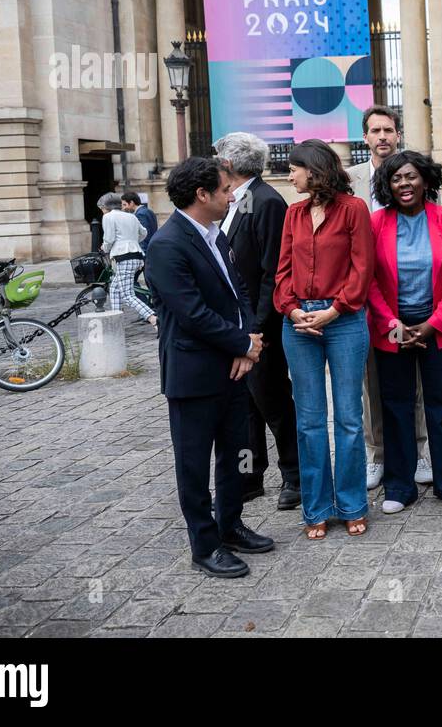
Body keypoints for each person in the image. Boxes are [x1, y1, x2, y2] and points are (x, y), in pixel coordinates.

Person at [144, 157, 272, 578]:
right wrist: (241, 343)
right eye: (223, 190)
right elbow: (192, 313)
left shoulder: (216, 234)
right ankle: (204, 544)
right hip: (194, 374)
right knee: (195, 463)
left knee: (237, 454)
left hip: (234, 368)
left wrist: (246, 344)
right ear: (202, 195)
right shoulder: (167, 245)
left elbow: (239, 292)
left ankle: (230, 524)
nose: (231, 195)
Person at [274, 139, 373, 539]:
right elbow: (281, 271)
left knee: (349, 417)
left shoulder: (354, 210)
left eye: (295, 168)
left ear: (313, 170)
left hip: (344, 319)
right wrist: (293, 309)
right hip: (298, 325)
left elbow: (363, 269)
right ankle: (316, 507)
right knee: (309, 420)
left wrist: (334, 310)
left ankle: (351, 504)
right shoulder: (293, 213)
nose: (290, 175)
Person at [366, 150, 442, 514]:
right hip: (391, 330)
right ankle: (399, 485)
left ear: (425, 180)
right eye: (396, 178)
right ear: (387, 185)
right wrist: (391, 323)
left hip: (437, 329)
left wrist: (432, 324)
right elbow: (369, 282)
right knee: (396, 406)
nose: (404, 184)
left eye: (410, 176)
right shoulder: (376, 223)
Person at [214, 132, 300, 513]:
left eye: (218, 158)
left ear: (228, 164)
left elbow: (273, 272)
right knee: (246, 405)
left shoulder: (266, 201)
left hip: (262, 327)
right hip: (239, 325)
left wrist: (258, 328)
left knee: (274, 404)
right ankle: (250, 477)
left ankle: (295, 477)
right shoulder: (236, 199)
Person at [346, 105, 429, 491]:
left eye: (389, 129)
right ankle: (377, 453)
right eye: (375, 130)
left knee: (417, 382)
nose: (382, 136)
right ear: (365, 137)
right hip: (367, 297)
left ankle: (421, 449)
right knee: (372, 382)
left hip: (411, 294)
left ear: (398, 134)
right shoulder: (350, 180)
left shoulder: (415, 172)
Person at [98, 192, 156, 328]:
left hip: (124, 256)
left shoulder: (108, 217)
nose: (101, 211)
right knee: (114, 288)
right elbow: (144, 233)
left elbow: (109, 239)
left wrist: (105, 248)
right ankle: (116, 324)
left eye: (101, 208)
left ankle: (153, 318)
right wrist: (132, 242)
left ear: (105, 206)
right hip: (136, 255)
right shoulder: (131, 216)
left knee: (128, 295)